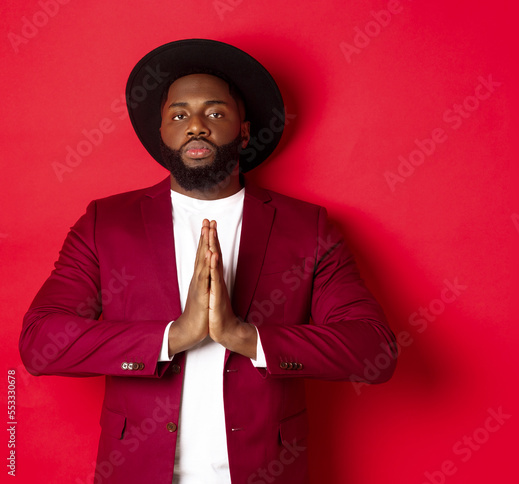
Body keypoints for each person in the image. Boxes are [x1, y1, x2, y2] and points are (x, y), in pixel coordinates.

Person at [19, 38, 397, 484]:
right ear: (161, 132)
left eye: (215, 113)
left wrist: (248, 337)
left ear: (243, 129)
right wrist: (172, 336)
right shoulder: (107, 223)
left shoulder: (307, 227)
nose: (196, 126)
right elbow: (40, 342)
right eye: (179, 115)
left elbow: (374, 350)